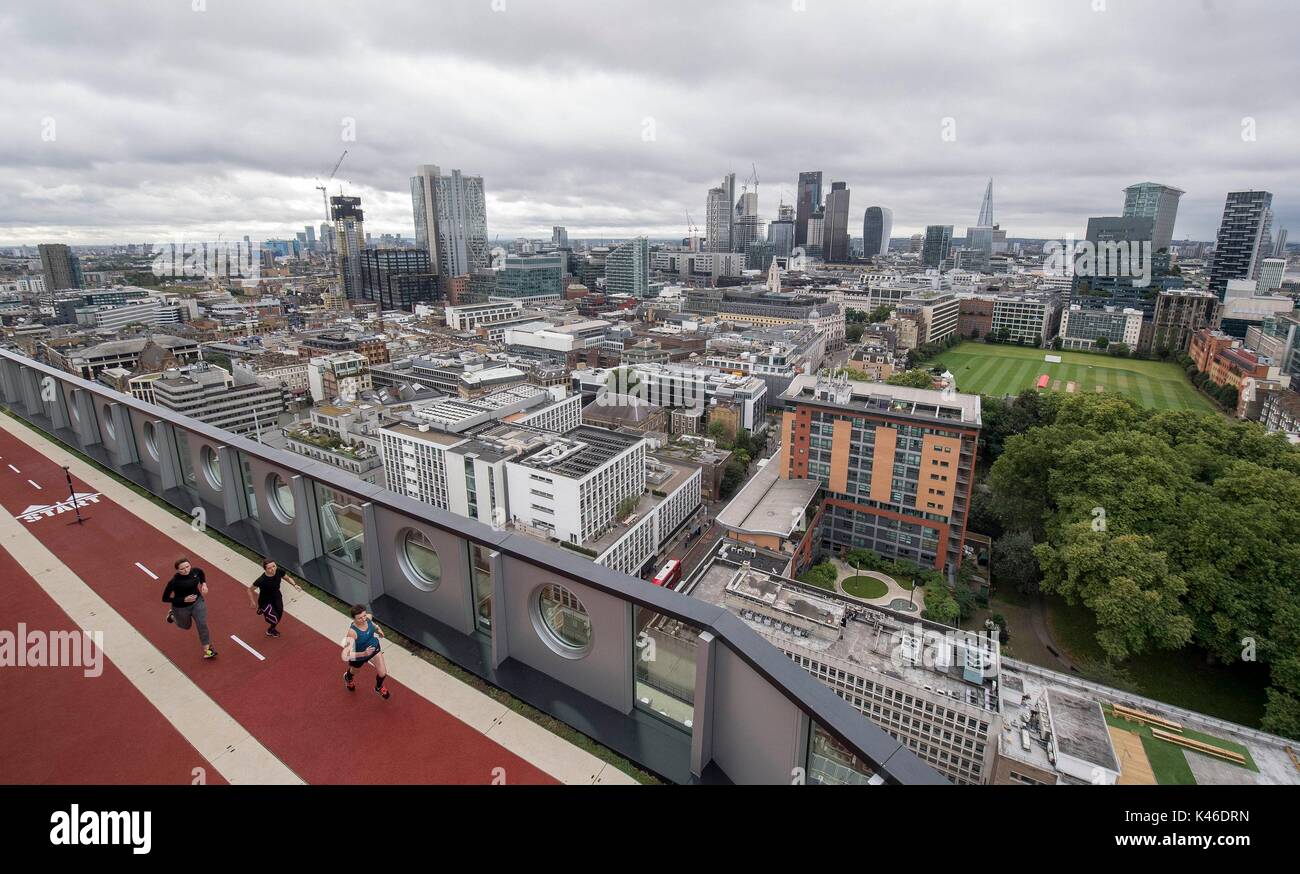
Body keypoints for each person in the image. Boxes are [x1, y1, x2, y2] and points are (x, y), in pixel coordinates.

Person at [162, 557, 216, 659]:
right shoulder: (174, 582)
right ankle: (172, 616)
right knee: (185, 626)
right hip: (181, 608)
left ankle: (207, 649)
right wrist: (183, 600)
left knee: (202, 623)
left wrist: (204, 584)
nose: (186, 570)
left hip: (197, 602)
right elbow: (165, 598)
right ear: (177, 570)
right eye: (182, 569)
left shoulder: (195, 572)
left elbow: (201, 573)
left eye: (187, 567)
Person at [341, 604, 389, 699]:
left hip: (373, 648)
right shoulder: (352, 633)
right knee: (355, 671)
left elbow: (373, 625)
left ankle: (378, 688)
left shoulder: (368, 617)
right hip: (359, 655)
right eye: (360, 618)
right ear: (354, 619)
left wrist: (378, 630)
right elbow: (345, 654)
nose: (363, 619)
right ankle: (348, 677)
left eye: (364, 616)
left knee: (382, 673)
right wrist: (364, 653)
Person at [247, 558, 302, 638]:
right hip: (265, 601)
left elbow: (287, 578)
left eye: (274, 566)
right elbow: (249, 590)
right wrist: (252, 601)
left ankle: (271, 630)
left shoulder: (279, 571)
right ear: (265, 569)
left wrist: (295, 585)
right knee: (274, 619)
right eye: (269, 568)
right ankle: (262, 609)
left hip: (277, 596)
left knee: (279, 615)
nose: (273, 569)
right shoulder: (261, 580)